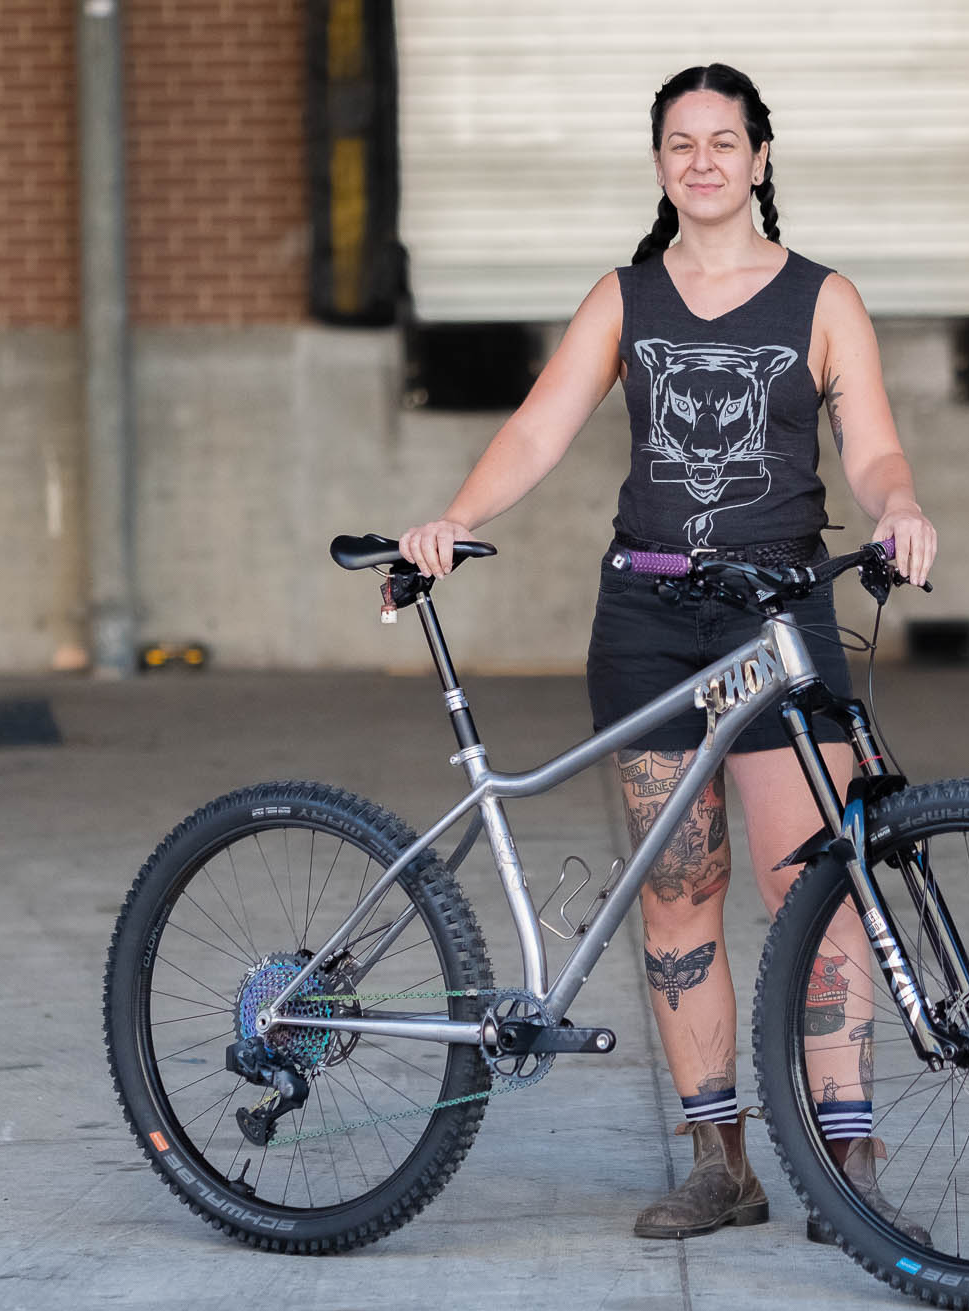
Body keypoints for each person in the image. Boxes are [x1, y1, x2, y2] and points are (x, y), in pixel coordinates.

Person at [400, 63, 937, 1241]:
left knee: (817, 890)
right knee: (678, 895)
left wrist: (899, 506)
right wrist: (457, 515)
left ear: (758, 159)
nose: (702, 159)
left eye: (723, 140)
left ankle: (843, 1153)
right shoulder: (623, 299)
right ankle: (721, 1162)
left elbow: (874, 450)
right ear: (660, 167)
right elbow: (540, 426)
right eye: (680, 143)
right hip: (647, 626)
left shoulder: (819, 299)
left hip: (778, 617)